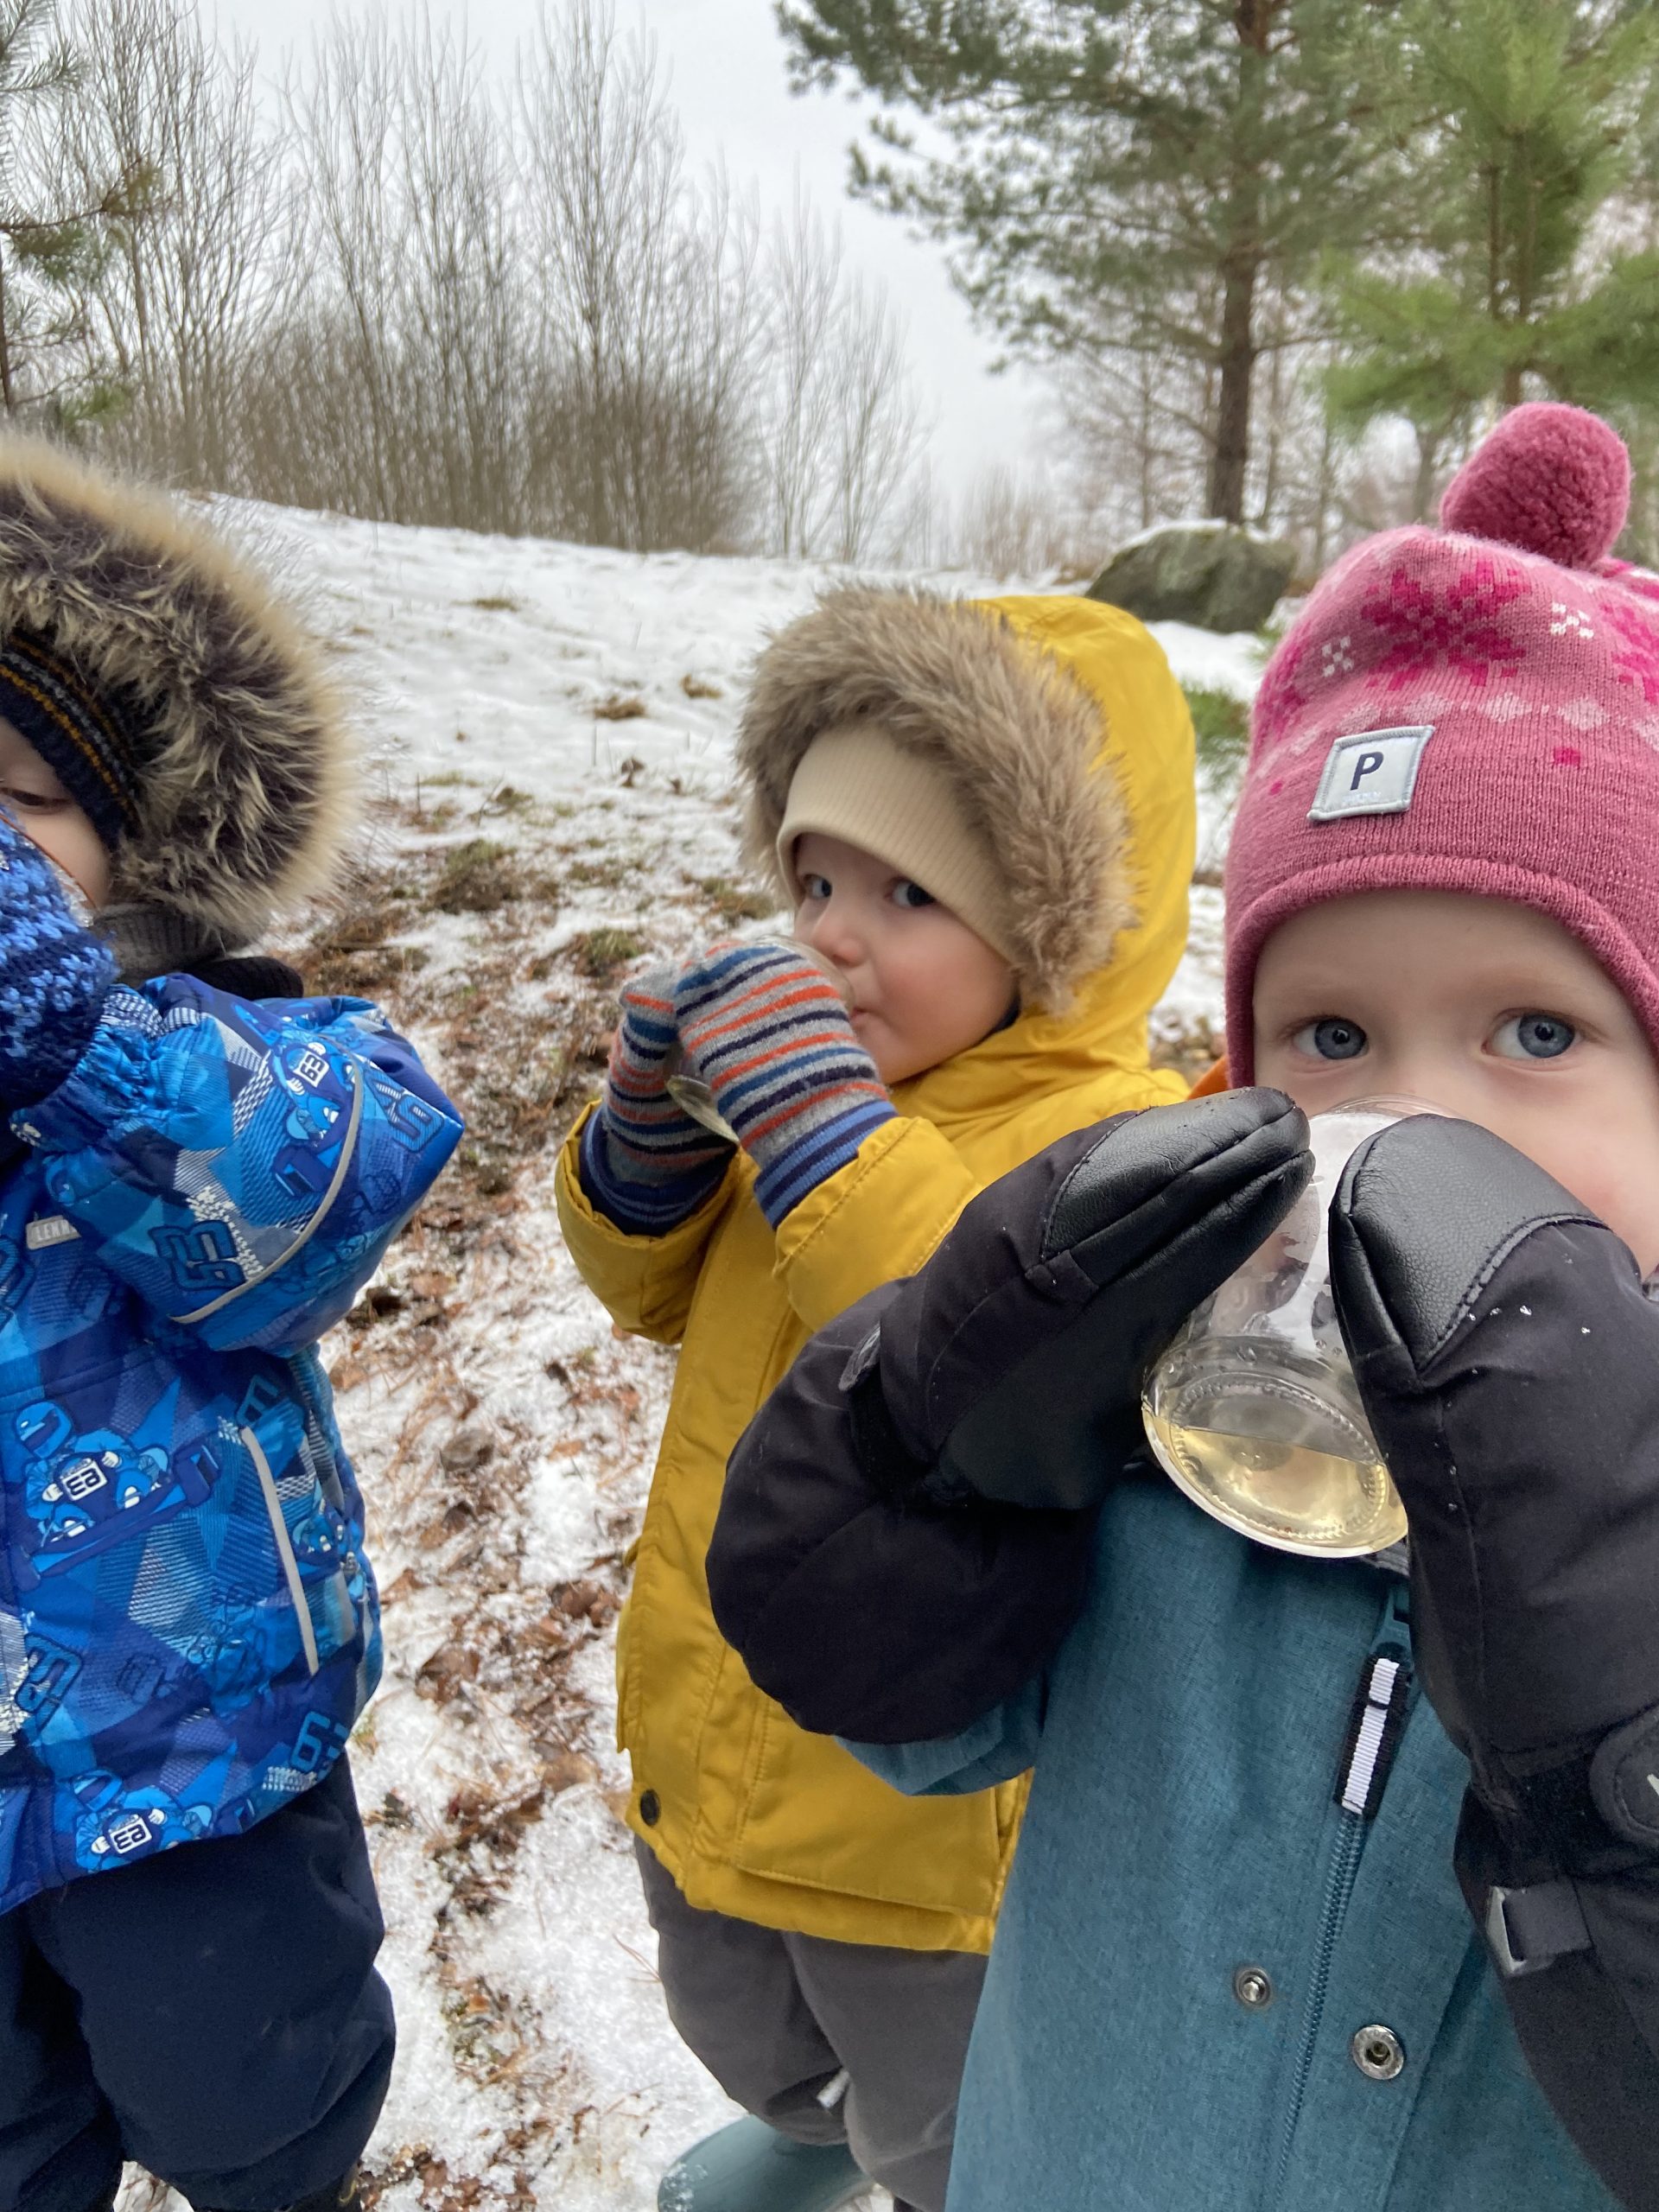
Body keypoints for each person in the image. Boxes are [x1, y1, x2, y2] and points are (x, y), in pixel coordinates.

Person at [707, 404, 1659, 2211]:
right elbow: (897, 1706)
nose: (1408, 1127)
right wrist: (925, 1420)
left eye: (1535, 1033)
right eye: (1332, 1037)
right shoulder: (1177, 1430)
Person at [555, 583, 1197, 2212]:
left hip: (916, 1825)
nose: (832, 932)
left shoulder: (1117, 1141)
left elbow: (980, 1359)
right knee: (740, 2023)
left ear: (1056, 934)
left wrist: (828, 1136)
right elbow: (647, 1296)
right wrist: (649, 1151)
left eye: (907, 893)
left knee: (948, 2119)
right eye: (815, 875)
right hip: (718, 1717)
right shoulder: (824, 1098)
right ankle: (805, 2132)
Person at [0, 442, 464, 2212]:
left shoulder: (215, 1037)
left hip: (187, 1743)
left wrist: (72, 1051)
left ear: (139, 852)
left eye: (27, 797)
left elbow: (306, 1200)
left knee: (248, 2097)